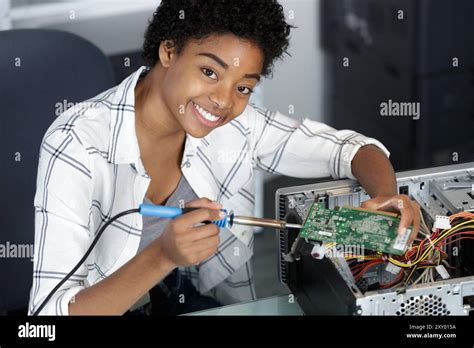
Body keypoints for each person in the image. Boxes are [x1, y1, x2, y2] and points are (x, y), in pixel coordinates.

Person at [28, 0, 420, 315]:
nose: (223, 102)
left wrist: (386, 195)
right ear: (168, 50)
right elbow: (50, 320)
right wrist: (163, 255)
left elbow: (349, 149)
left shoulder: (235, 124)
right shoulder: (76, 144)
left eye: (244, 87)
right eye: (209, 72)